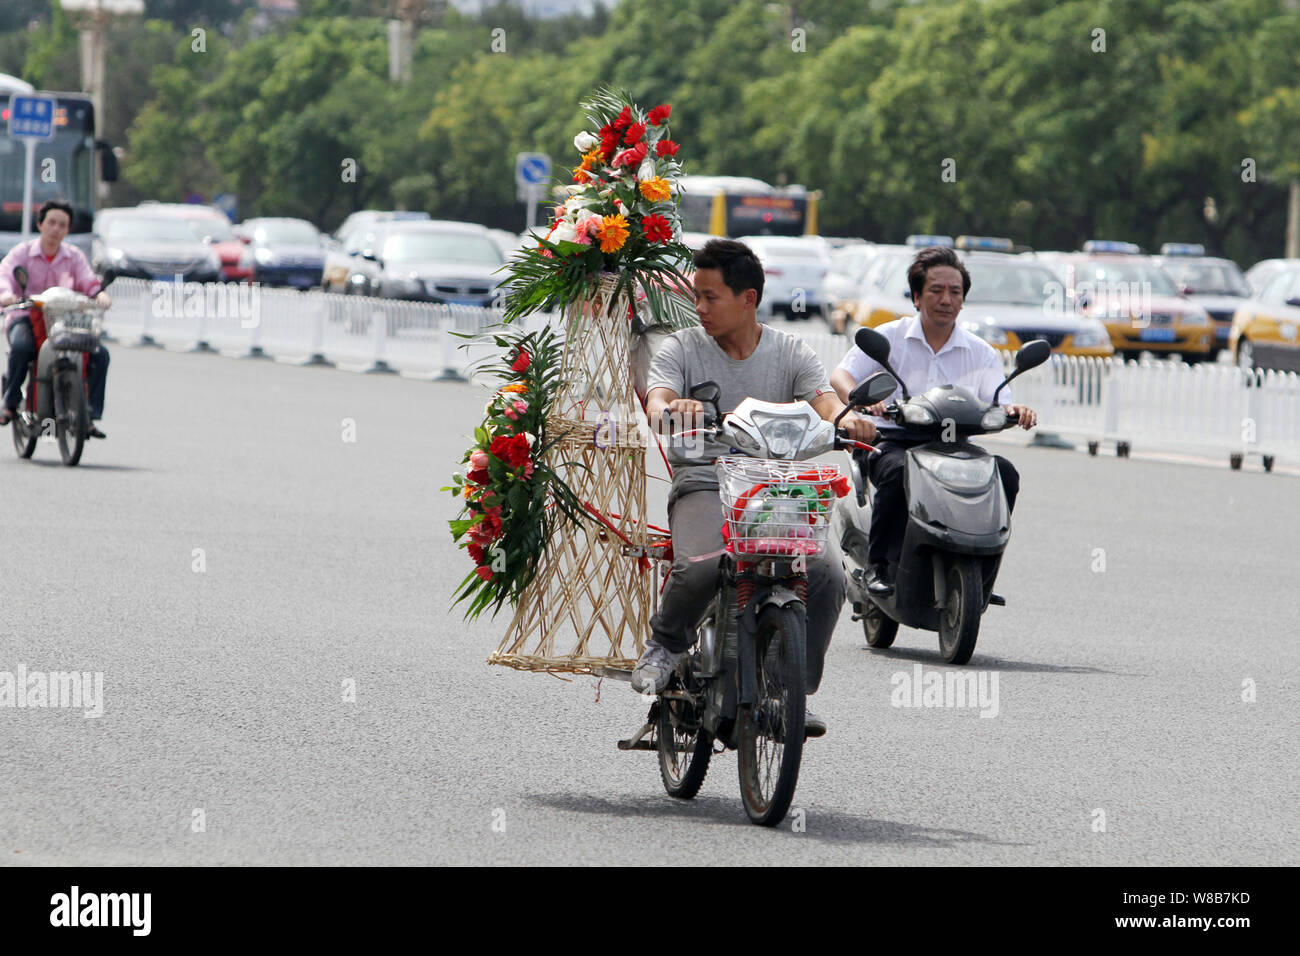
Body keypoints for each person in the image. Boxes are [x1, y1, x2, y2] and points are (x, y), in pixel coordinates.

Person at [635, 239, 878, 738]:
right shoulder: (681, 347)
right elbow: (658, 399)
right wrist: (669, 409)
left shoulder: (790, 352)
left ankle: (790, 692)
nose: (699, 308)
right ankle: (666, 645)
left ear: (748, 299)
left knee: (828, 574)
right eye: (695, 296)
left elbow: (825, 401)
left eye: (711, 297)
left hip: (777, 489)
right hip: (705, 483)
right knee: (701, 565)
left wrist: (849, 422)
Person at [829, 245, 1037, 596]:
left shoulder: (980, 351)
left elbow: (1000, 401)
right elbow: (841, 375)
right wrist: (863, 401)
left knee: (1004, 474)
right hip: (891, 440)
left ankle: (984, 574)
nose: (946, 299)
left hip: (953, 445)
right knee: (897, 472)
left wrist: (1015, 412)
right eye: (936, 290)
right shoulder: (890, 337)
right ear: (916, 297)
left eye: (955, 292)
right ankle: (878, 565)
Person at [0, 200, 111, 436]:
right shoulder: (22, 253)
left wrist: (100, 296)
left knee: (99, 354)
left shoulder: (74, 257)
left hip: (63, 321)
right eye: (51, 223)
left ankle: (88, 413)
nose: (56, 229)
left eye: (62, 225)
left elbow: (89, 283)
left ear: (68, 229)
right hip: (26, 316)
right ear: (40, 224)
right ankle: (10, 402)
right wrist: (7, 296)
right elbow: (5, 277)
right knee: (22, 347)